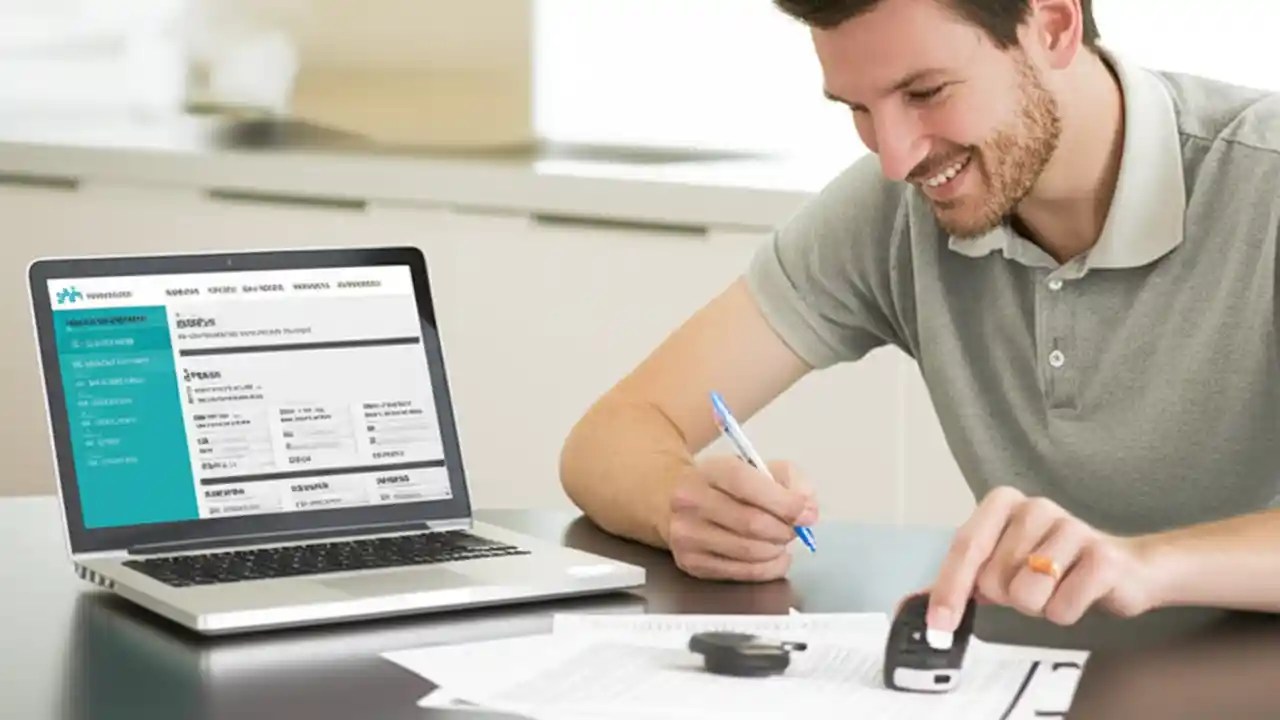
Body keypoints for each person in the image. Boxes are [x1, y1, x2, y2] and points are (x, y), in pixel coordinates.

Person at [558, 0, 1280, 641]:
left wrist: (1142, 565)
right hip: (1036, 677)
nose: (896, 156)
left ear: (1054, 24)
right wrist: (679, 505)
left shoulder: (1265, 181)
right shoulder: (898, 211)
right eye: (858, 110)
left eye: (926, 92)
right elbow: (610, 436)